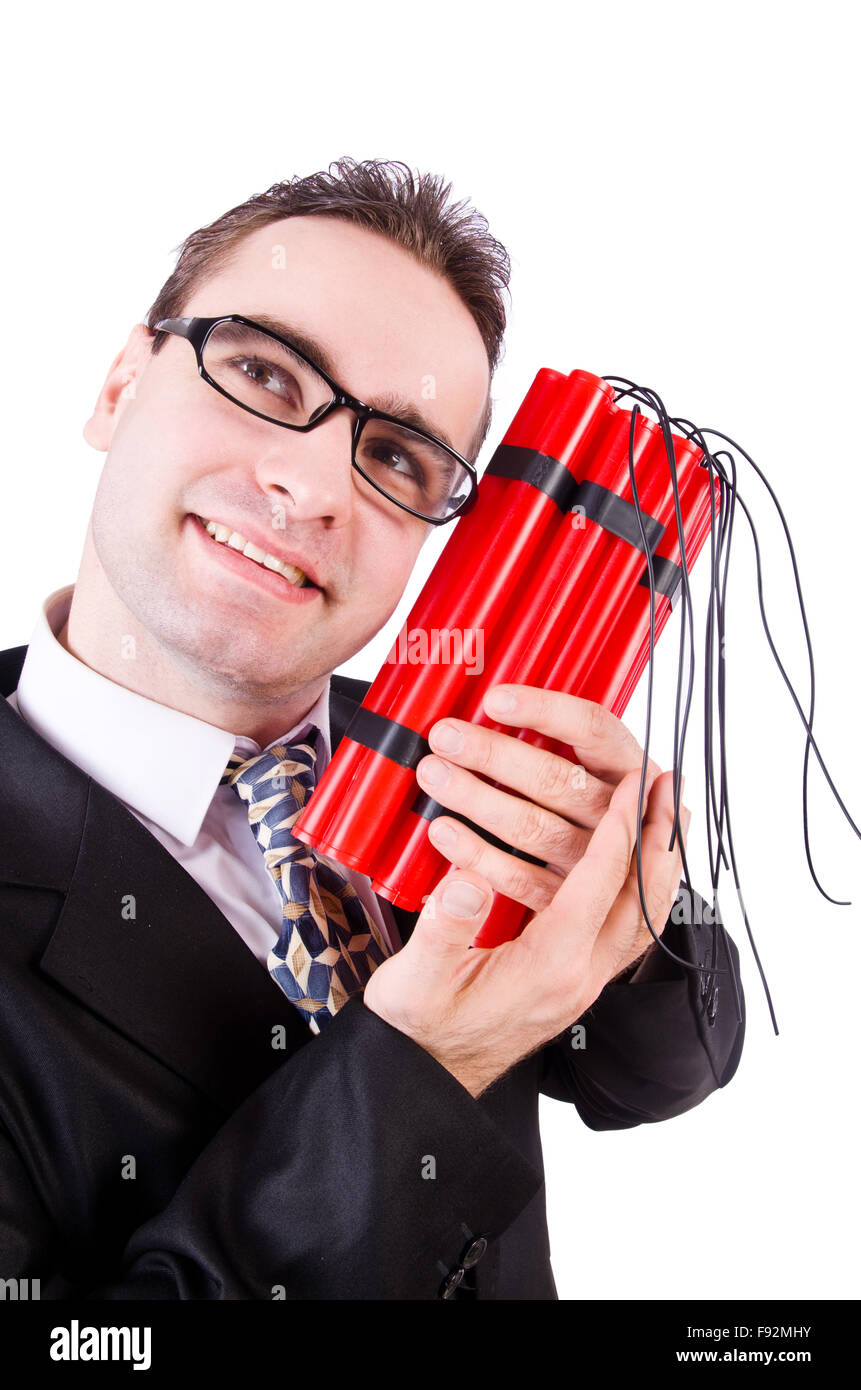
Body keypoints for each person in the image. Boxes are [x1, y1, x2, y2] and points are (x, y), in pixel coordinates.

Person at [0, 157, 744, 1301]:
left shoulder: (445, 757)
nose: (312, 485)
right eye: (263, 372)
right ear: (118, 386)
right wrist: (426, 1066)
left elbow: (661, 1073)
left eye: (396, 454)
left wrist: (634, 911)